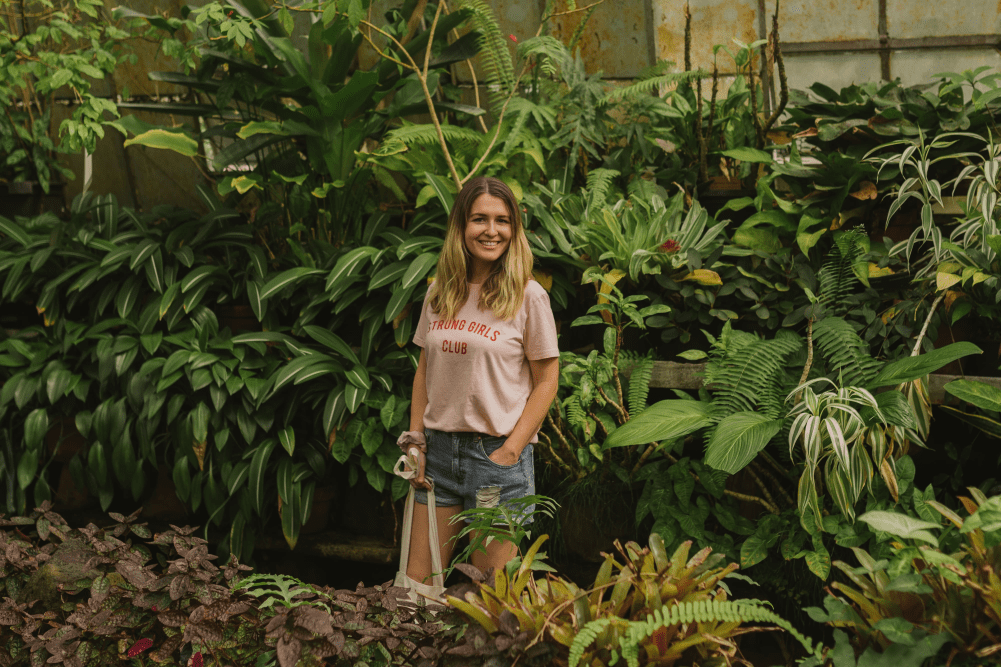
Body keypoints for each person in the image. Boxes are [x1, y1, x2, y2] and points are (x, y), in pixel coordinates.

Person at [396, 176, 560, 583]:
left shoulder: (528, 295)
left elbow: (547, 382)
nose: (491, 230)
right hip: (436, 457)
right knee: (416, 589)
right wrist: (416, 439)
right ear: (461, 226)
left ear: (514, 229)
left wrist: (510, 451)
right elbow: (424, 371)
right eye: (479, 219)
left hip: (494, 460)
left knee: (492, 598)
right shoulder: (439, 293)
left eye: (502, 220)